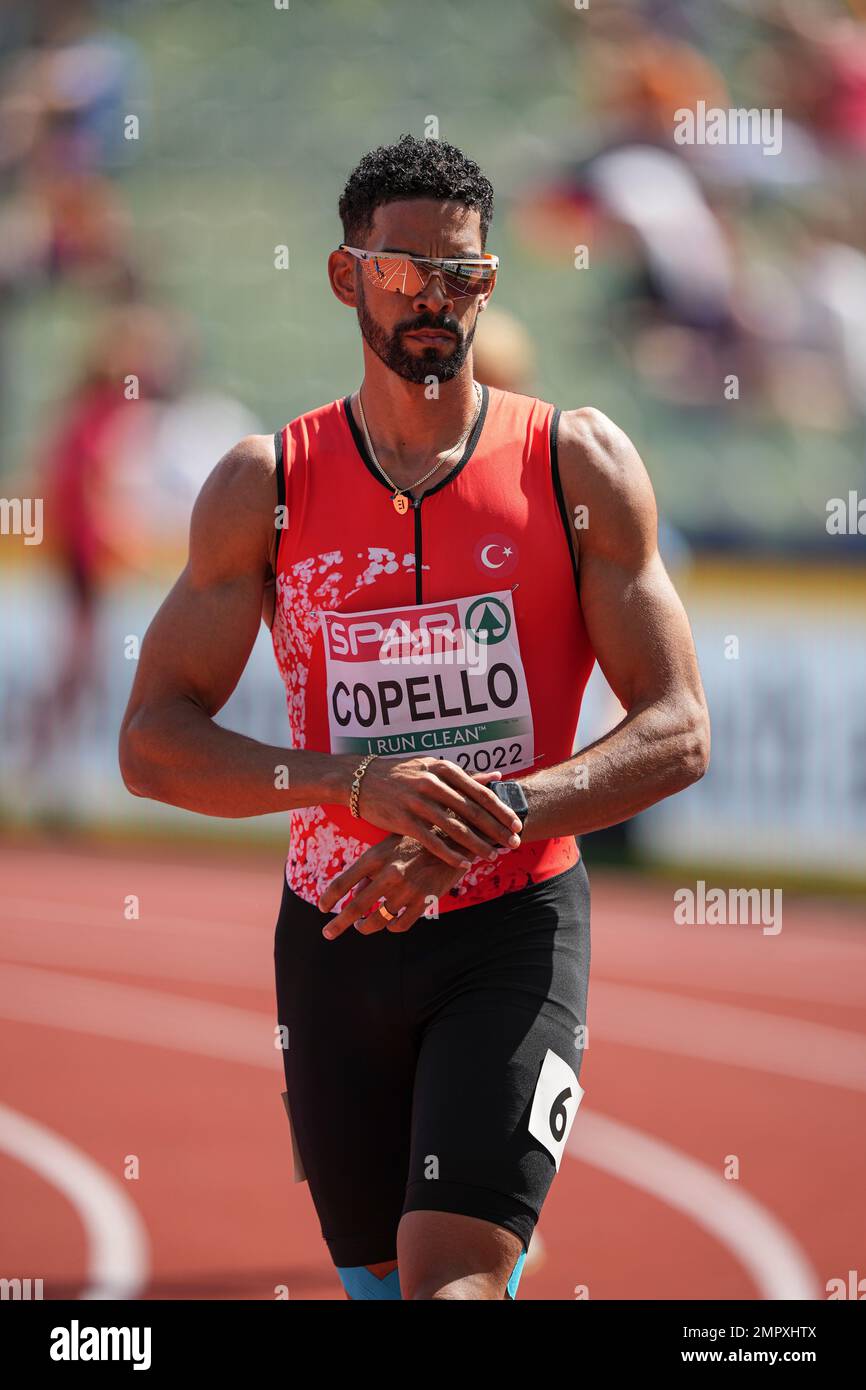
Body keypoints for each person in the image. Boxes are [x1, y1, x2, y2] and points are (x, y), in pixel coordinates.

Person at [119, 135, 710, 1301]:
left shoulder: (572, 463)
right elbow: (151, 741)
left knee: (454, 1285)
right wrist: (344, 782)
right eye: (404, 270)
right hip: (334, 944)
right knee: (380, 1291)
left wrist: (498, 808)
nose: (435, 297)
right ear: (347, 276)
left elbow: (678, 724)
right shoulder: (267, 484)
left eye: (463, 275)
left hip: (513, 924)